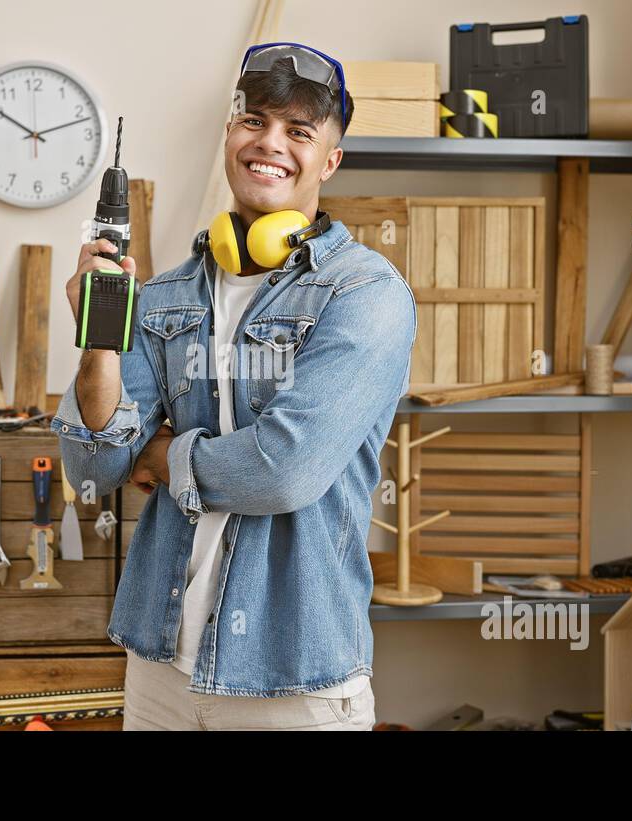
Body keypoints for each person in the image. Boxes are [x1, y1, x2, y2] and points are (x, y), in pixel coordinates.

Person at [53, 42, 416, 730]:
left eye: (299, 131)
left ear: (329, 161)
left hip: (290, 677)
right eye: (255, 120)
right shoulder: (161, 297)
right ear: (229, 134)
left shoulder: (364, 294)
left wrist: (162, 456)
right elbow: (93, 463)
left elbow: (284, 468)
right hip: (159, 665)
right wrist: (101, 341)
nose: (269, 143)